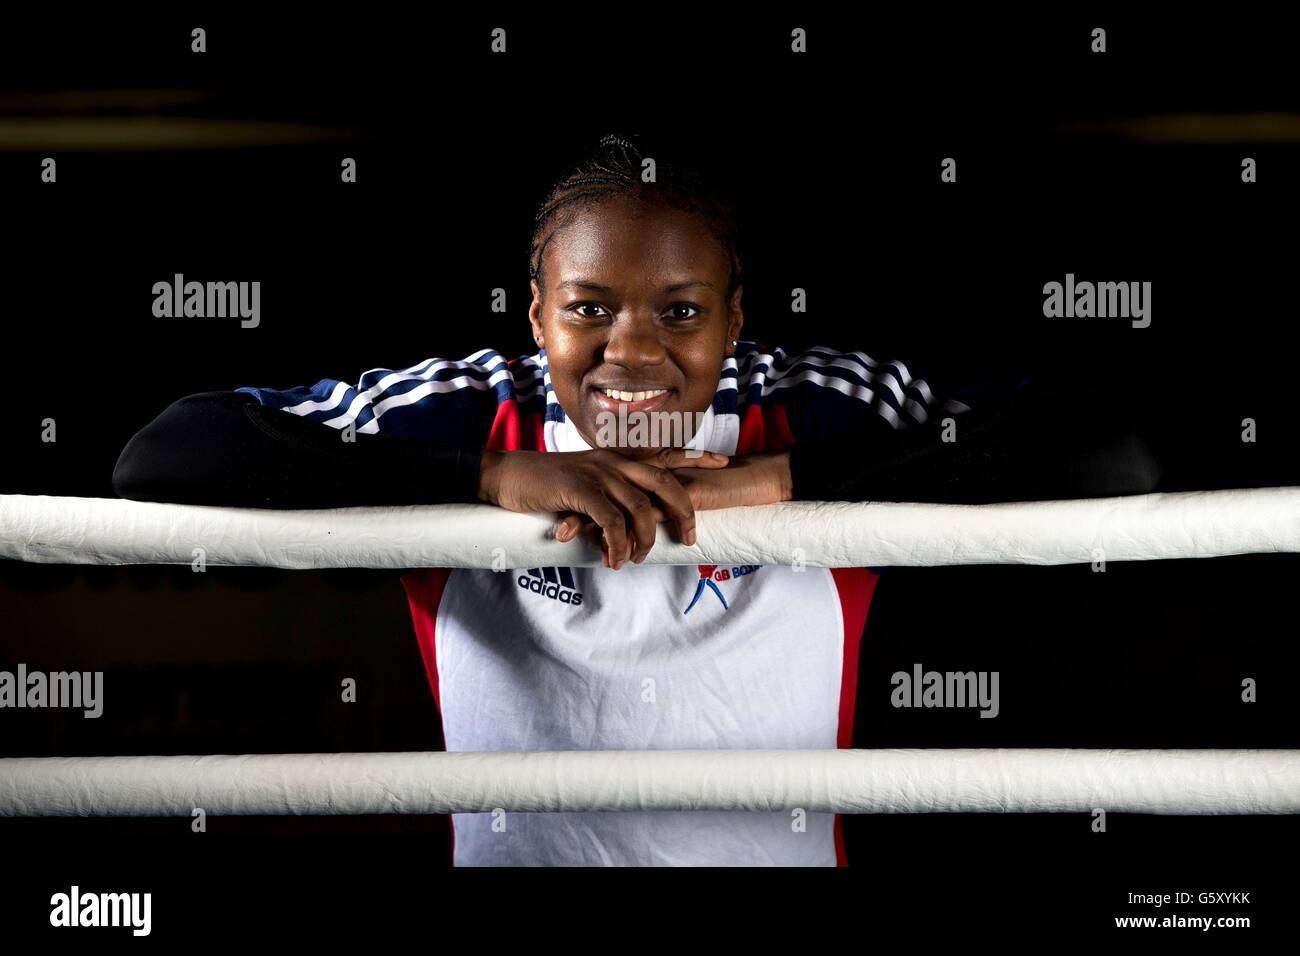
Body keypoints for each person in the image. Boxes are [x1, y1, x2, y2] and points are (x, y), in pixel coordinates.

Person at [113, 134, 1160, 865]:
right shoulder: (468, 407)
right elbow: (166, 452)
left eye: (681, 312)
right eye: (589, 309)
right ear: (537, 316)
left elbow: (1105, 453)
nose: (633, 352)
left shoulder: (814, 402)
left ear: (734, 319)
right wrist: (487, 476)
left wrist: (787, 482)